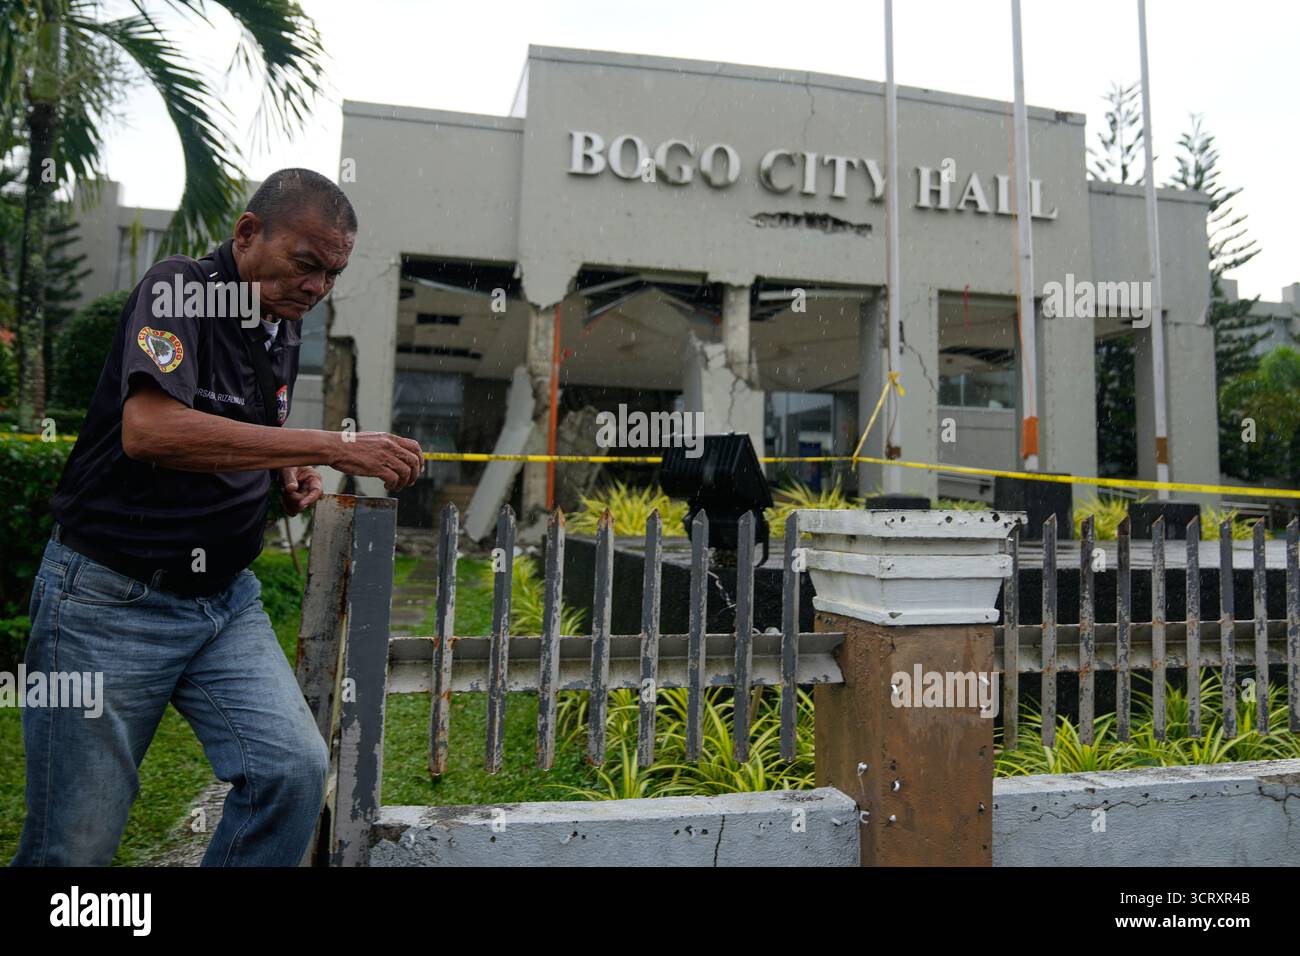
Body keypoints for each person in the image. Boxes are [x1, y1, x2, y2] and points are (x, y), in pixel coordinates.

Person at [10, 168, 423, 867]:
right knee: (74, 847)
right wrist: (329, 443)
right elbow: (151, 430)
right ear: (247, 233)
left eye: (333, 274)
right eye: (306, 264)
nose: (318, 287)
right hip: (108, 600)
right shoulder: (180, 290)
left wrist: (282, 470)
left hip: (225, 603)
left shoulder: (278, 324)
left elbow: (237, 427)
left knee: (290, 771)